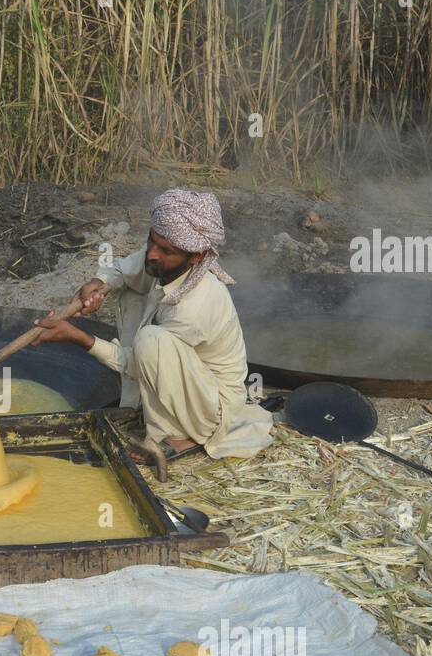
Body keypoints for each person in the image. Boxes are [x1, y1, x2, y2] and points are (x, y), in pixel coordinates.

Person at [32, 188, 273, 460]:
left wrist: (79, 337)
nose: (152, 254)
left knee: (150, 340)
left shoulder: (196, 305)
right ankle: (141, 406)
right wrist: (99, 284)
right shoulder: (164, 262)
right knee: (133, 291)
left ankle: (185, 436)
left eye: (166, 250)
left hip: (212, 407)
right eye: (152, 241)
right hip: (187, 382)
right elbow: (124, 270)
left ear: (196, 257)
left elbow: (135, 363)